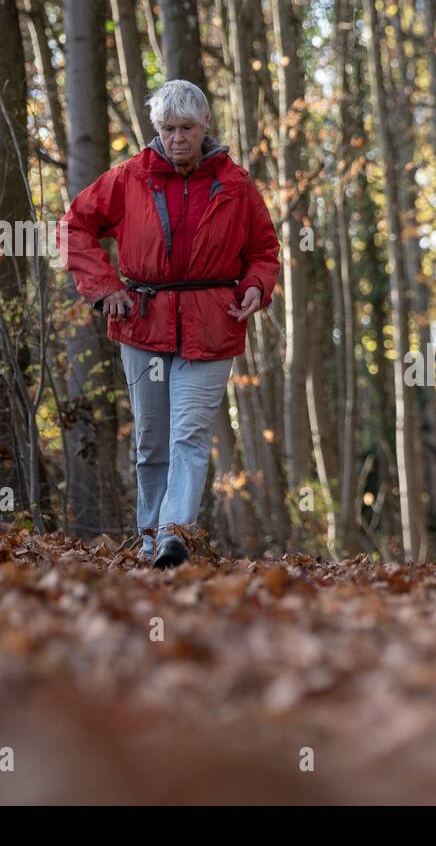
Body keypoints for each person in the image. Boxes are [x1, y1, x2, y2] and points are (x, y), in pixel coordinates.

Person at [60, 80, 280, 568]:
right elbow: (76, 225)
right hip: (144, 323)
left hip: (212, 325)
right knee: (152, 440)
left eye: (186, 128)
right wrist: (106, 288)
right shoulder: (128, 178)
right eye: (167, 128)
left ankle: (173, 538)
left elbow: (263, 251)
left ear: (205, 128)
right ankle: (149, 542)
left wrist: (254, 287)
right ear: (155, 129)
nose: (177, 138)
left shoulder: (237, 185)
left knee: (190, 435)